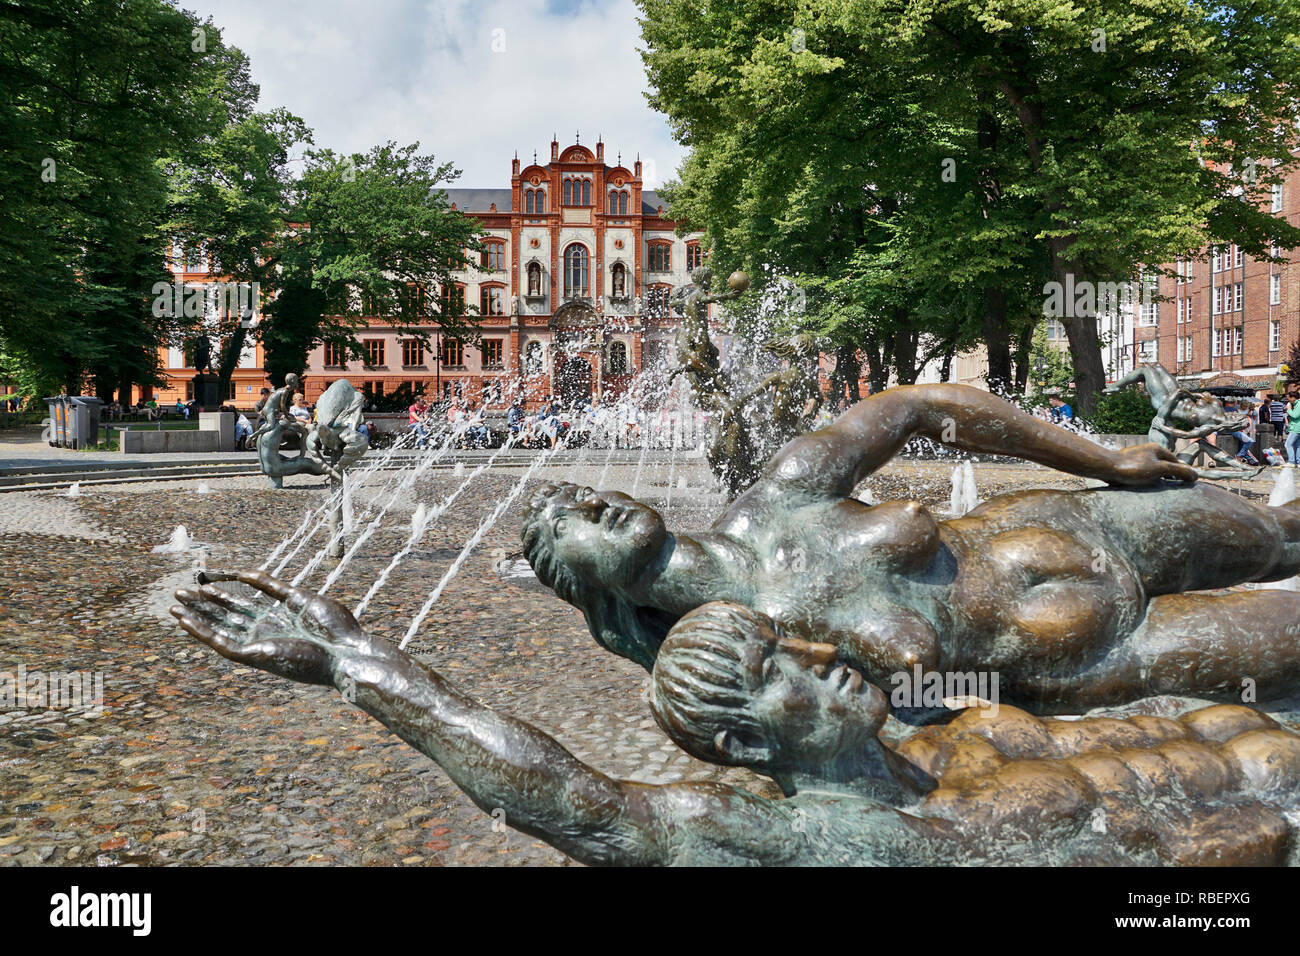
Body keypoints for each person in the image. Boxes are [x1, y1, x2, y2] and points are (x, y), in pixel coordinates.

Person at [173, 572, 1300, 866]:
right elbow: (589, 807)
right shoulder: (839, 839)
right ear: (755, 745)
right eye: (778, 668)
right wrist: (359, 664)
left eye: (786, 640)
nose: (816, 655)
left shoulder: (922, 737)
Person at [520, 382, 1300, 713]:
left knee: (1283, 535)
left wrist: (1103, 460)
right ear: (589, 589)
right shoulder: (734, 671)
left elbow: (920, 405)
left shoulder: (781, 498)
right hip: (1093, 662)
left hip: (1093, 531)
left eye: (585, 493)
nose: (594, 499)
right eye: (568, 523)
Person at [1287, 395, 1300, 466]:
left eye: (1289, 398)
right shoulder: (1296, 404)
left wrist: (1289, 409)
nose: (1288, 400)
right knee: (1298, 445)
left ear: (1293, 397)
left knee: (1288, 444)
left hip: (1296, 428)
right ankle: (1298, 462)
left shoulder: (1298, 404)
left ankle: (1291, 461)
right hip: (1297, 427)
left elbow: (1295, 415)